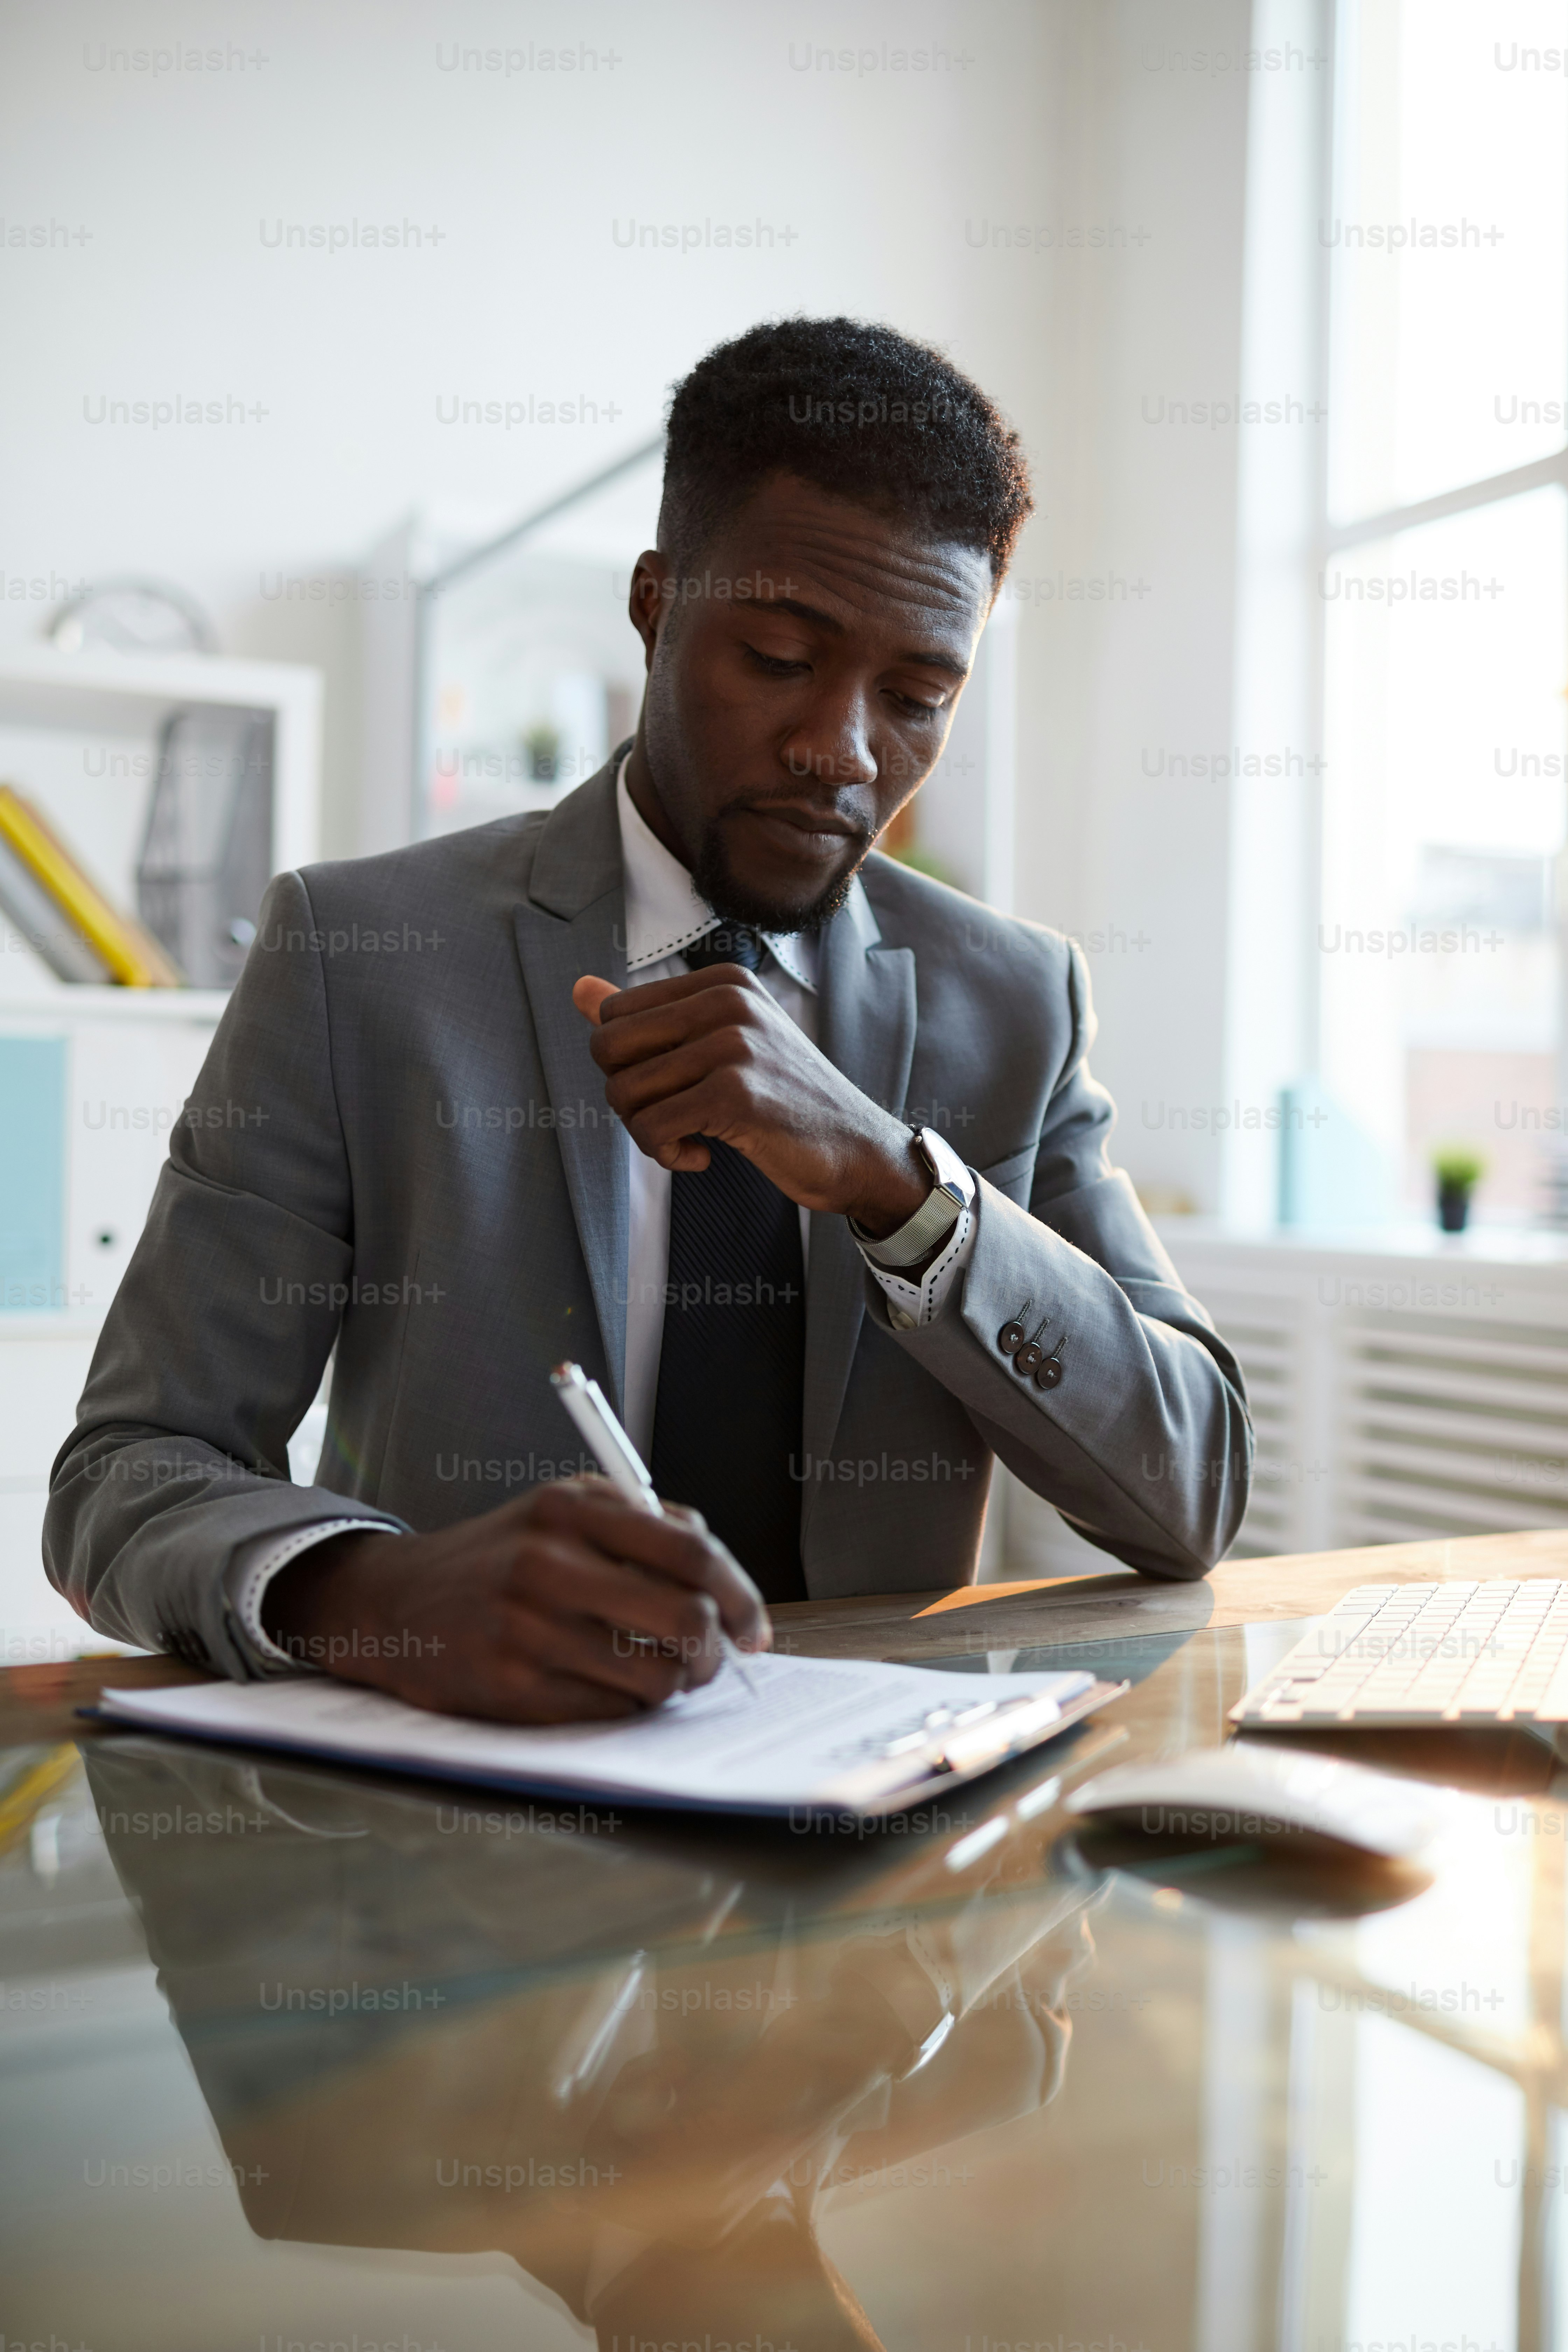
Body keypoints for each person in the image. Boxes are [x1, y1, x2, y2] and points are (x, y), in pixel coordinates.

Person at [46, 316, 1251, 1721]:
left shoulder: (1015, 1000)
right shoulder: (359, 956)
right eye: (780, 657)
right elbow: (128, 1472)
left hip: (883, 1808)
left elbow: (1191, 1493)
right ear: (654, 603)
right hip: (469, 1808)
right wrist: (377, 1596)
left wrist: (899, 1186)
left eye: (919, 697)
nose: (843, 752)